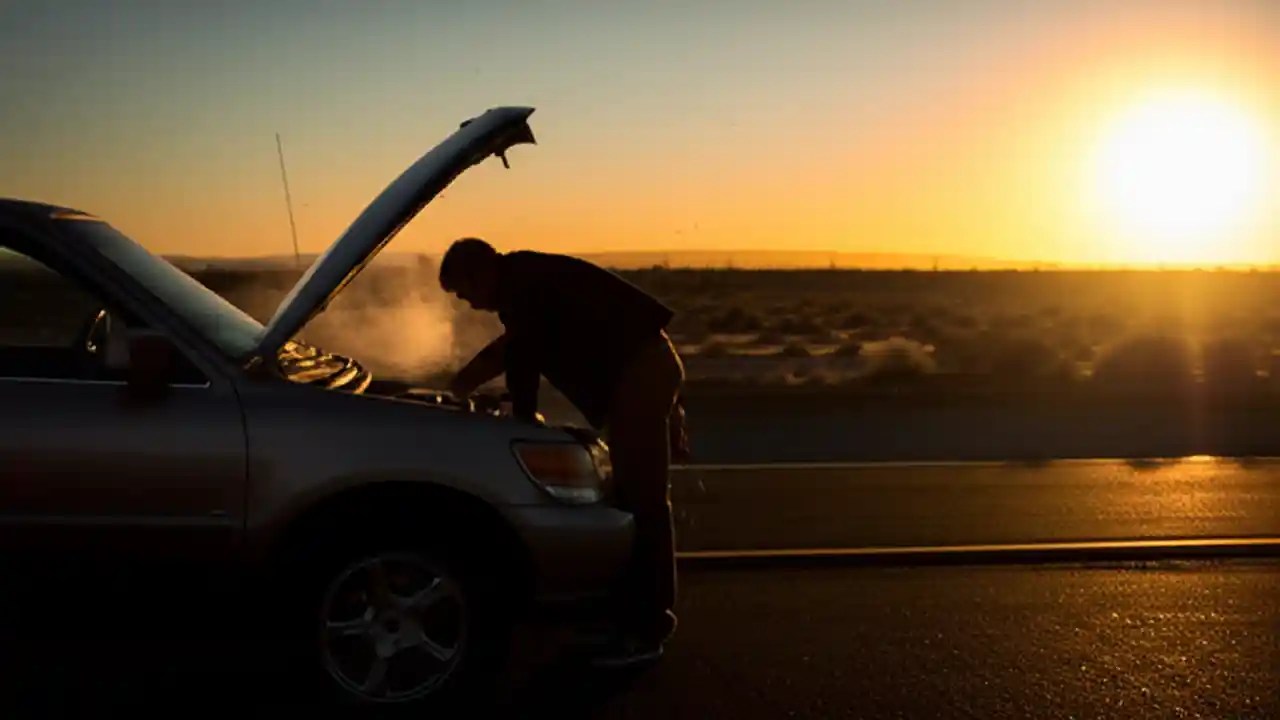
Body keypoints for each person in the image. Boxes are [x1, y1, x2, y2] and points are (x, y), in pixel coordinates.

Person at [439, 237, 687, 668]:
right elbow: (513, 347)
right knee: (631, 496)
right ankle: (628, 615)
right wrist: (460, 384)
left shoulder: (525, 287)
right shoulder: (525, 279)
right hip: (646, 370)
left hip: (641, 376)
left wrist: (520, 415)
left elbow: (520, 356)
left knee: (641, 502)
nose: (469, 304)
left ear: (481, 273)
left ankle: (647, 628)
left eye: (465, 293)